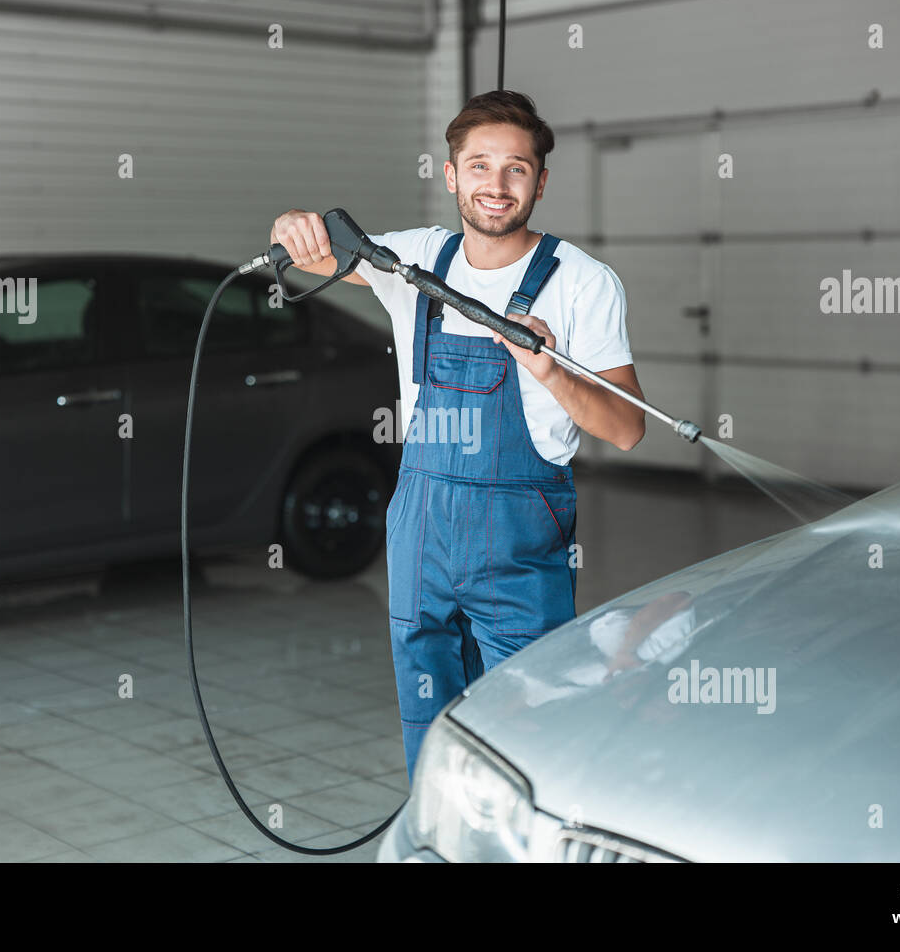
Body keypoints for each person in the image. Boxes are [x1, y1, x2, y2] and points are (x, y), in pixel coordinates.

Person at [269, 89, 646, 783]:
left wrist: (555, 373)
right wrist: (294, 226)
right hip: (421, 527)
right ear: (451, 175)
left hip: (518, 532)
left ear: (540, 180)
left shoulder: (584, 284)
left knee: (531, 719)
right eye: (479, 166)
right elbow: (303, 258)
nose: (496, 186)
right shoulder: (414, 261)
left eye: (516, 169)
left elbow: (627, 429)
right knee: (429, 715)